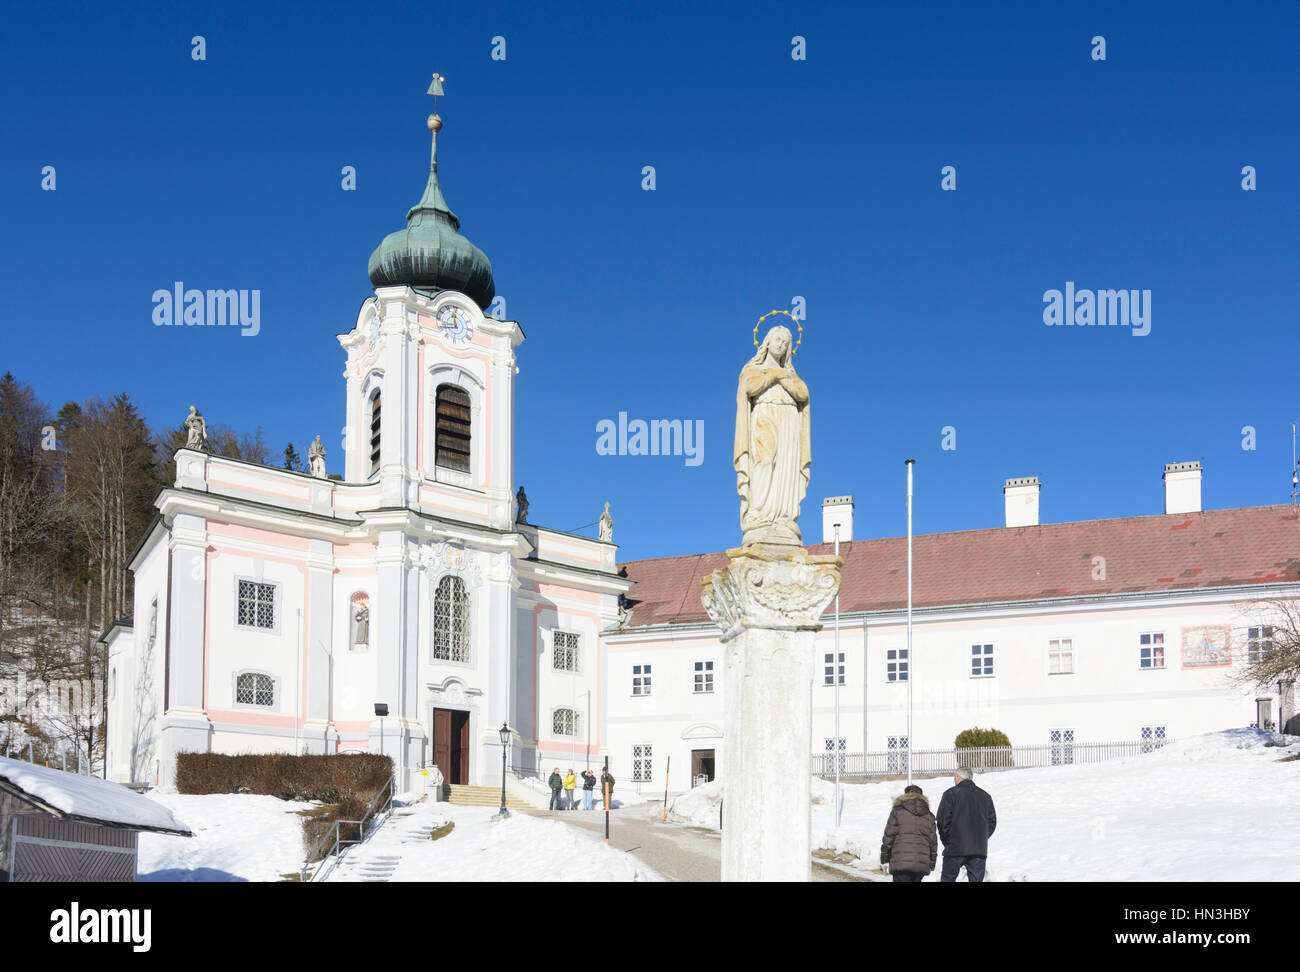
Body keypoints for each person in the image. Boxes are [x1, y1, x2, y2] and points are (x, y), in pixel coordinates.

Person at [936, 766, 997, 882]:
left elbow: (942, 821)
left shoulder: (950, 794)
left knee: (948, 879)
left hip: (955, 847)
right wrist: (981, 837)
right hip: (978, 849)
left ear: (958, 778)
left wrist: (948, 840)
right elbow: (992, 822)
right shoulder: (985, 796)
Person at [880, 784, 937, 882]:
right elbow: (933, 842)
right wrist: (932, 863)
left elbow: (889, 836)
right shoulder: (929, 815)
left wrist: (884, 858)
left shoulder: (897, 812)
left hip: (900, 862)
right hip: (921, 863)